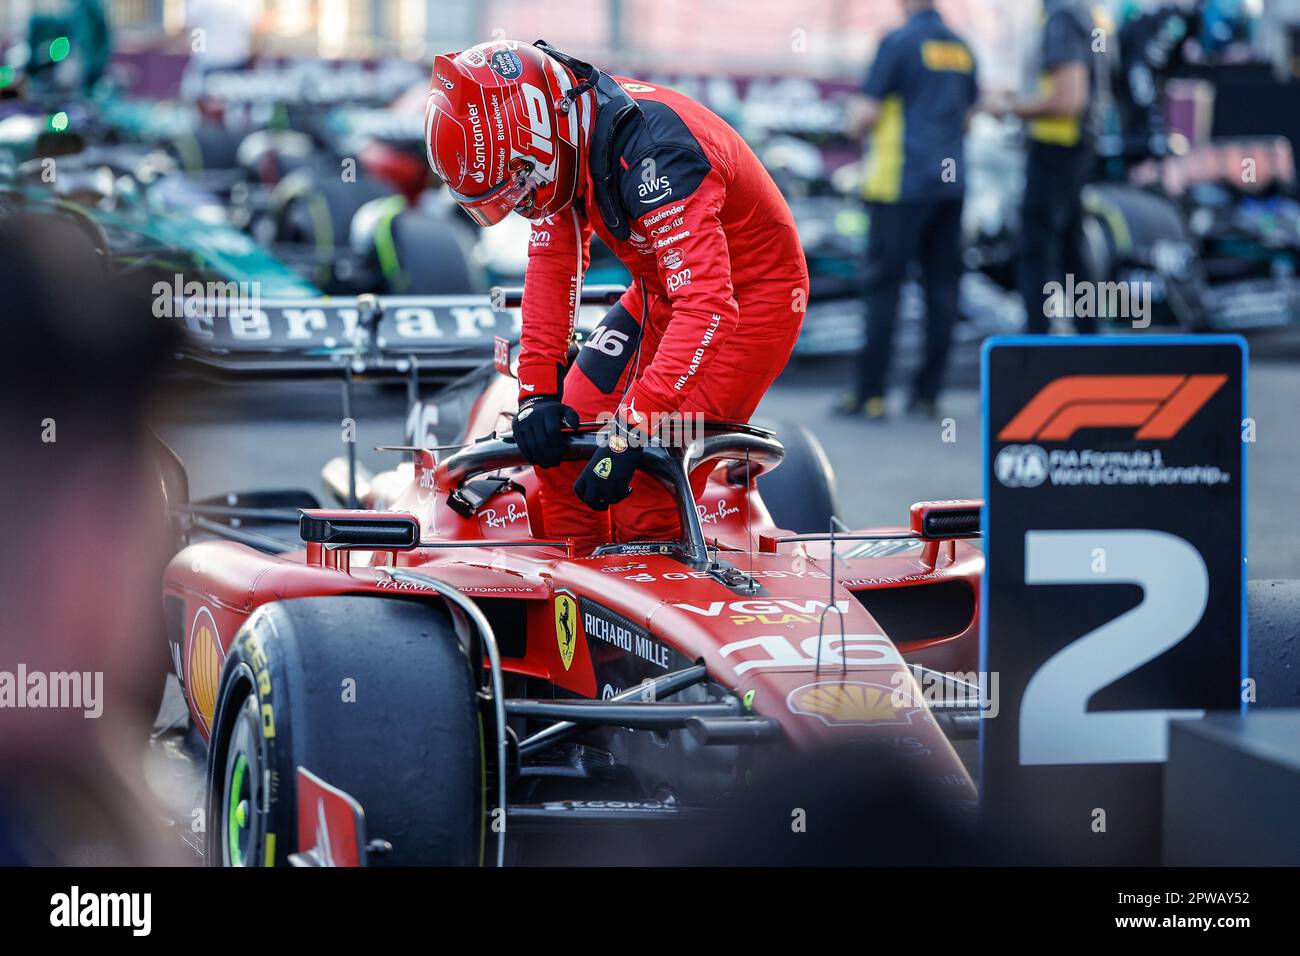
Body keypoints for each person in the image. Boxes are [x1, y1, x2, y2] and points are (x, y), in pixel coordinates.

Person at [425, 40, 808, 553]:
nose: (518, 201)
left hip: (748, 305)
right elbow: (553, 262)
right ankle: (574, 614)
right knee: (561, 451)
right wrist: (536, 390)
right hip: (661, 291)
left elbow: (708, 306)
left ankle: (653, 605)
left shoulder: (658, 154)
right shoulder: (562, 136)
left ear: (536, 135)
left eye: (516, 183)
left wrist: (634, 427)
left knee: (649, 486)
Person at [836, 0, 978, 422]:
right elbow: (968, 118)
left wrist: (850, 124)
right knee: (942, 289)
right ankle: (927, 394)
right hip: (951, 187)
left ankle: (872, 394)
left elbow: (866, 114)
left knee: (885, 287)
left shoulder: (896, 43)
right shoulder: (961, 47)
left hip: (900, 185)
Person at [990, 0, 1101, 333]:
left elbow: (1070, 97)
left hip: (1057, 149)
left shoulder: (1061, 16)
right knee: (1070, 250)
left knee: (1037, 251)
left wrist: (1011, 107)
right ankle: (1089, 339)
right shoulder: (1072, 12)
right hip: (1069, 149)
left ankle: (1036, 347)